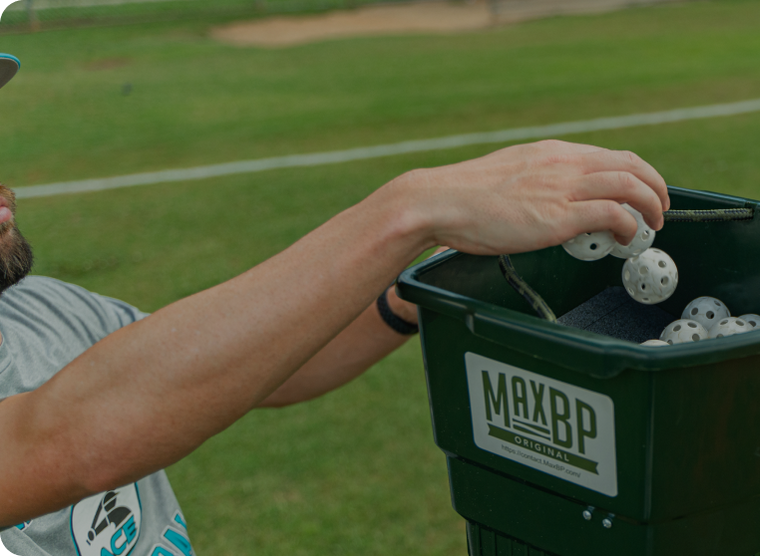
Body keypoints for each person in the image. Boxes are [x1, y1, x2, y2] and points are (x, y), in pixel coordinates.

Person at [0, 53, 671, 556]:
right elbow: (67, 440)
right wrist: (411, 209)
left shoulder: (46, 309)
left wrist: (419, 292)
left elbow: (249, 367)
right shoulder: (64, 419)